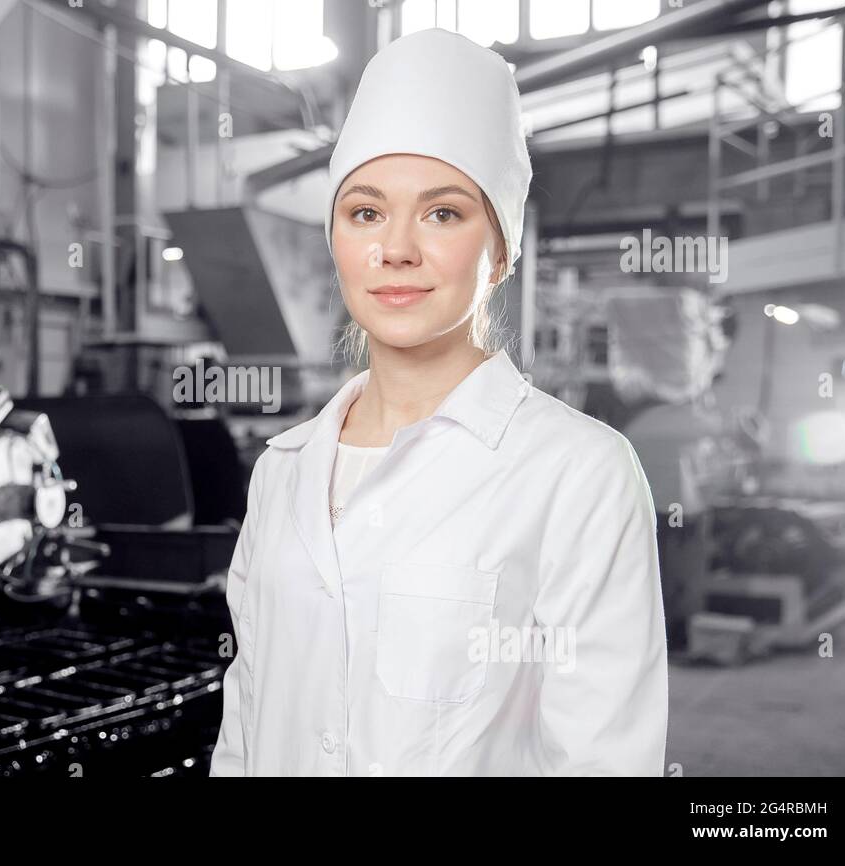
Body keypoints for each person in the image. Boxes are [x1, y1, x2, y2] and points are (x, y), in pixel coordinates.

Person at [208, 28, 668, 776]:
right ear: (335, 238)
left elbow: (603, 762)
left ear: (503, 248)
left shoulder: (578, 476)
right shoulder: (282, 473)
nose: (395, 249)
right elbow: (246, 725)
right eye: (365, 213)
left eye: (443, 213)